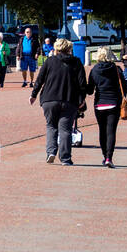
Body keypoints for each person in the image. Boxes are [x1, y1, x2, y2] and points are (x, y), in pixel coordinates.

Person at [29, 36, 87, 165]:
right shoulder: (76, 62)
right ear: (69, 49)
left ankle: (51, 152)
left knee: (51, 126)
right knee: (65, 129)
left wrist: (33, 95)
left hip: (49, 99)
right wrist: (81, 99)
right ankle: (65, 158)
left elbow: (40, 80)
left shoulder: (50, 61)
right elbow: (82, 83)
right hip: (69, 100)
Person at [88, 47, 127, 168]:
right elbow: (124, 87)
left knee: (102, 130)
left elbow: (90, 90)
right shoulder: (116, 69)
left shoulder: (94, 70)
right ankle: (109, 157)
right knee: (111, 131)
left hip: (99, 104)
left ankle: (105, 155)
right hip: (114, 103)